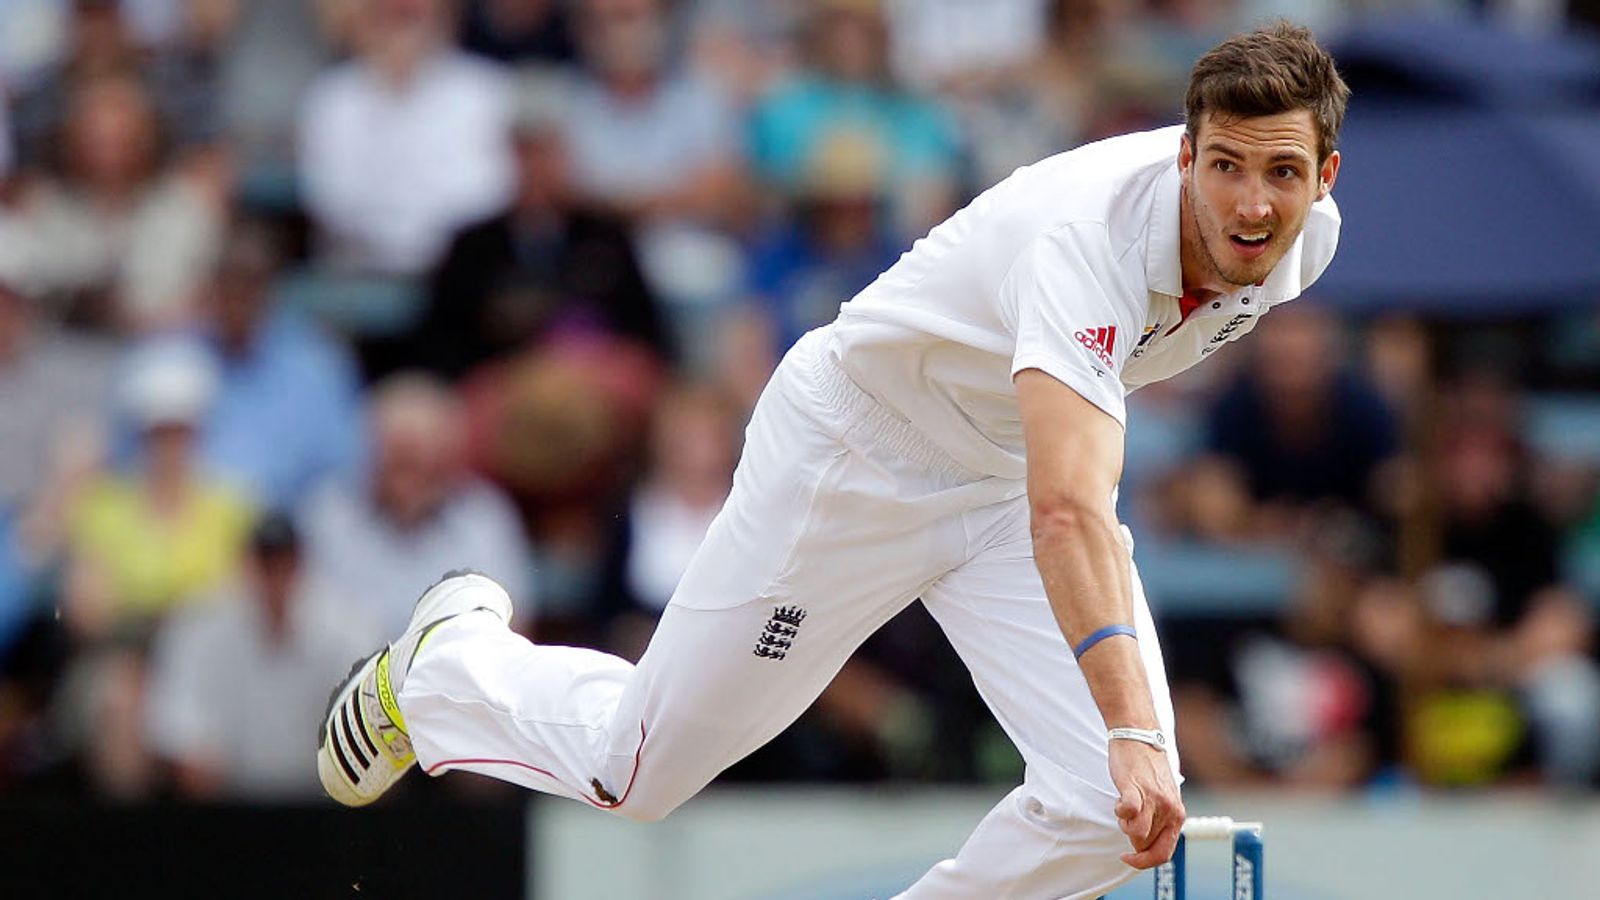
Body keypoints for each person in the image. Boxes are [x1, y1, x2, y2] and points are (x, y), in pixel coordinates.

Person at [318, 23, 1347, 898]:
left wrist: (1127, 747)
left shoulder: (1307, 244)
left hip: (999, 472)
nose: (1251, 206)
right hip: (858, 456)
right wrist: (1132, 727)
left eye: (1281, 174)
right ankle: (449, 667)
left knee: (1107, 807)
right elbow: (1070, 511)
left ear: (1324, 176)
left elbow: (1063, 482)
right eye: (1225, 166)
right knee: (635, 774)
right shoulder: (1089, 245)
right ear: (1182, 156)